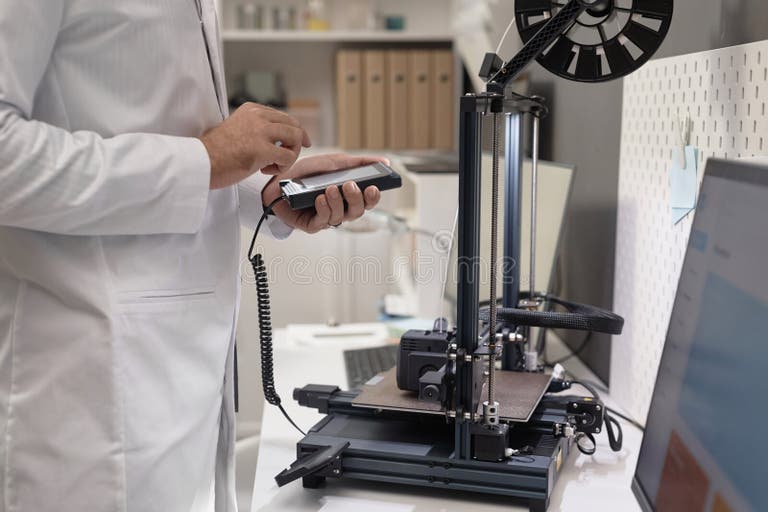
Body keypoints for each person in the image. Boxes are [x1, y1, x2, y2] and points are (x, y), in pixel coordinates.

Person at [0, 1, 383, 511]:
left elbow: (168, 131)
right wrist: (205, 160)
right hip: (91, 385)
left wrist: (265, 195)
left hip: (184, 371)